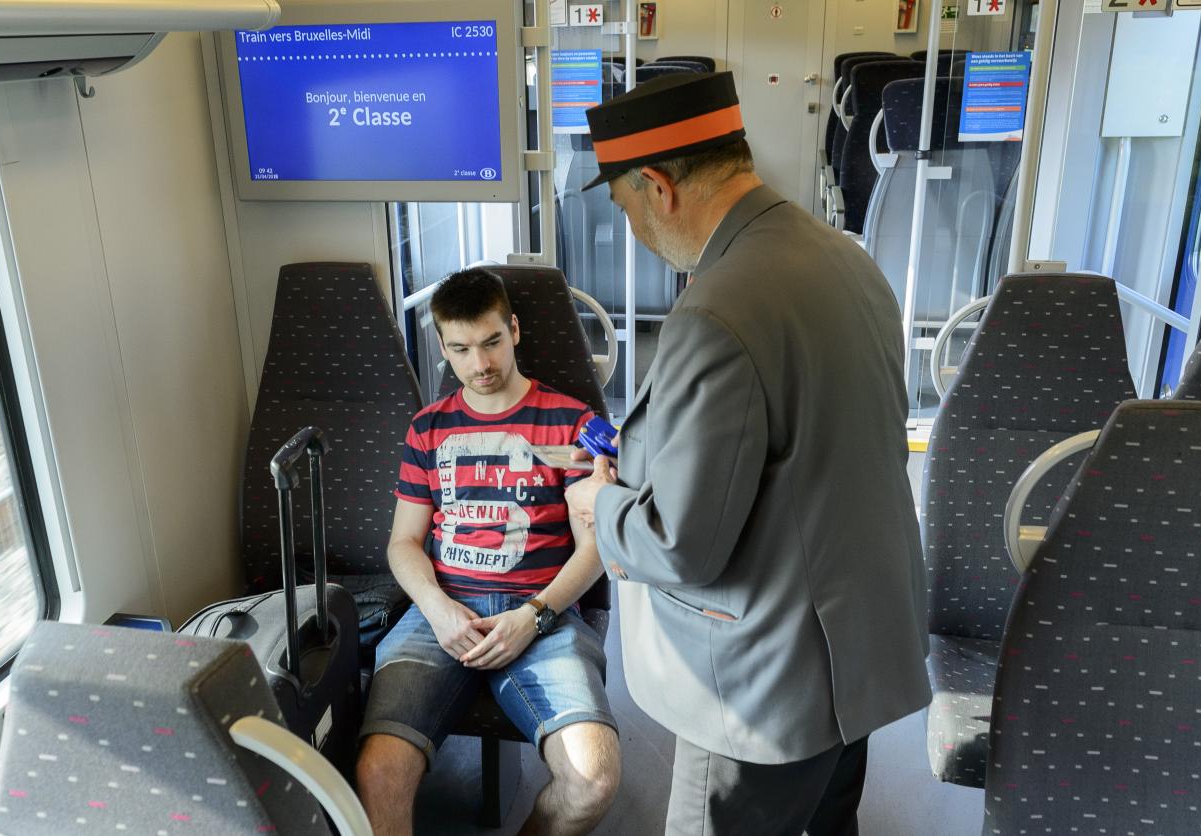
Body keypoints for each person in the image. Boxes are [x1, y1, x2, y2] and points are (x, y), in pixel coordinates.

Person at [563, 72, 931, 836]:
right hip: (856, 649)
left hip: (765, 686)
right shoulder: (848, 259)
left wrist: (601, 505)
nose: (631, 226)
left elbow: (681, 543)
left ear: (657, 187)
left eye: (625, 205)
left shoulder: (716, 311)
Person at [356, 269, 621, 836]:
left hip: (543, 611)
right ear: (443, 348)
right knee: (379, 772)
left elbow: (597, 549)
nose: (480, 364)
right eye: (461, 349)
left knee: (593, 779)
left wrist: (535, 616)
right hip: (442, 609)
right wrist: (434, 606)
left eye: (492, 342)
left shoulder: (573, 424)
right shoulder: (427, 429)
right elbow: (403, 542)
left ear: (515, 330)